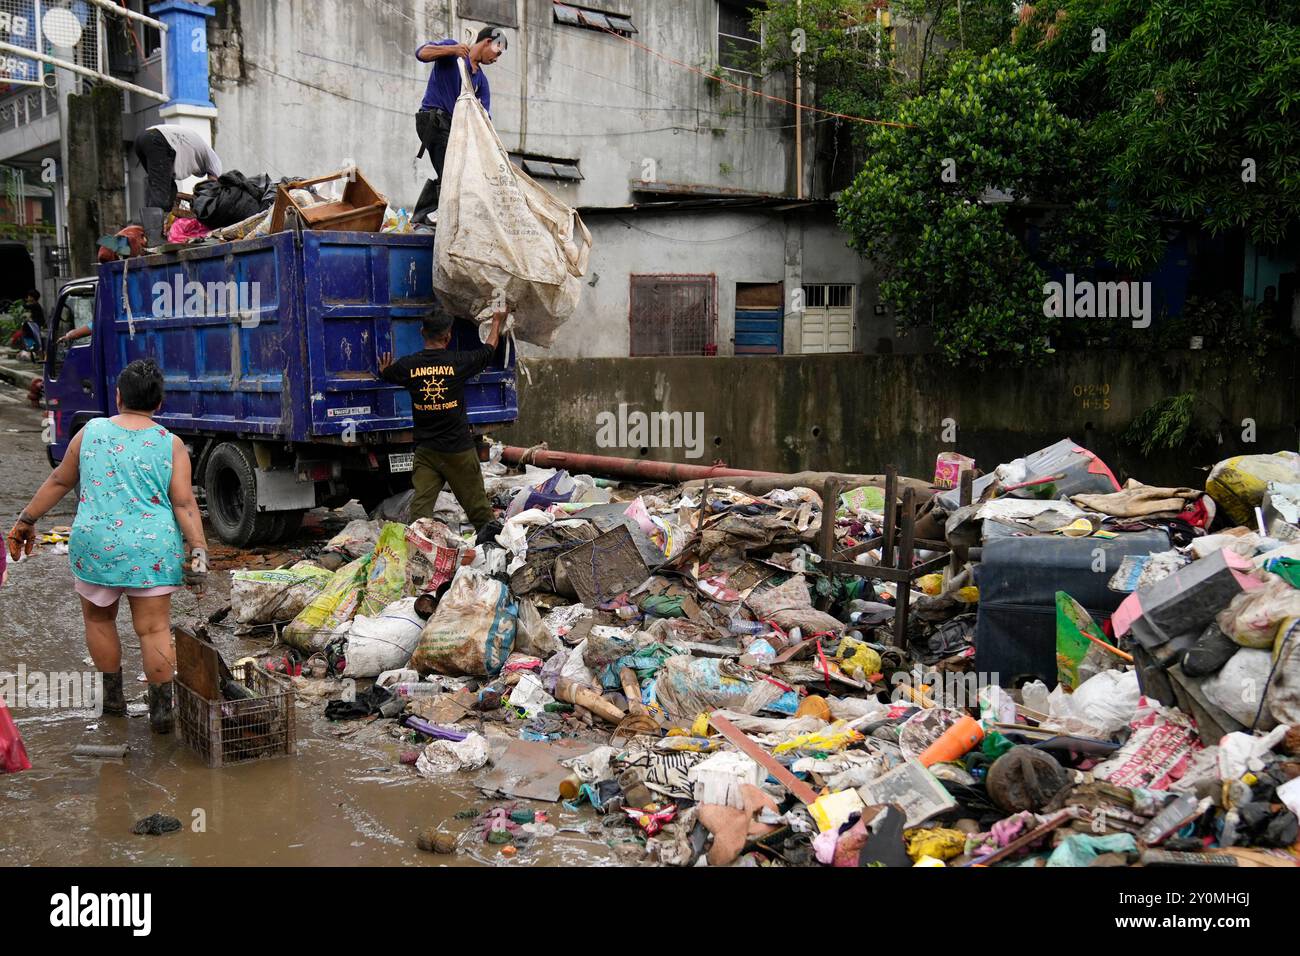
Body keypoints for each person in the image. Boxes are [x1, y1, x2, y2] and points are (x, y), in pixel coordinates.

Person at [6, 359, 208, 734]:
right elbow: (183, 503)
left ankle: (112, 707)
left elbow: (58, 481)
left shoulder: (91, 432)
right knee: (153, 629)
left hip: (97, 546)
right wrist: (198, 549)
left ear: (118, 397)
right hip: (152, 549)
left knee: (99, 620)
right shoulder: (171, 444)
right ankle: (162, 717)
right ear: (159, 403)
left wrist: (26, 520)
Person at [380, 307, 506, 530]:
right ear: (448, 337)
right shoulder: (457, 362)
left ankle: (419, 553)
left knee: (419, 515)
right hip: (458, 450)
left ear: (422, 332)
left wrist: (384, 370)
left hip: (426, 452)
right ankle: (492, 551)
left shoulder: (408, 366)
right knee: (479, 512)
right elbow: (488, 351)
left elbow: (388, 373)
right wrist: (497, 322)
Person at [413, 27, 507, 220]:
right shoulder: (452, 51)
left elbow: (484, 120)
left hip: (454, 131)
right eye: (498, 52)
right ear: (488, 42)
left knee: (458, 175)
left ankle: (426, 215)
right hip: (433, 121)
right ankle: (431, 217)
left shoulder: (481, 82)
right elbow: (421, 53)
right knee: (453, 174)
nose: (496, 59)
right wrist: (452, 50)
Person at [133, 124, 223, 245]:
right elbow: (212, 189)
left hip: (143, 139)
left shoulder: (199, 150)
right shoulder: (215, 163)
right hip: (158, 140)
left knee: (166, 189)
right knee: (161, 194)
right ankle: (155, 239)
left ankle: (158, 232)